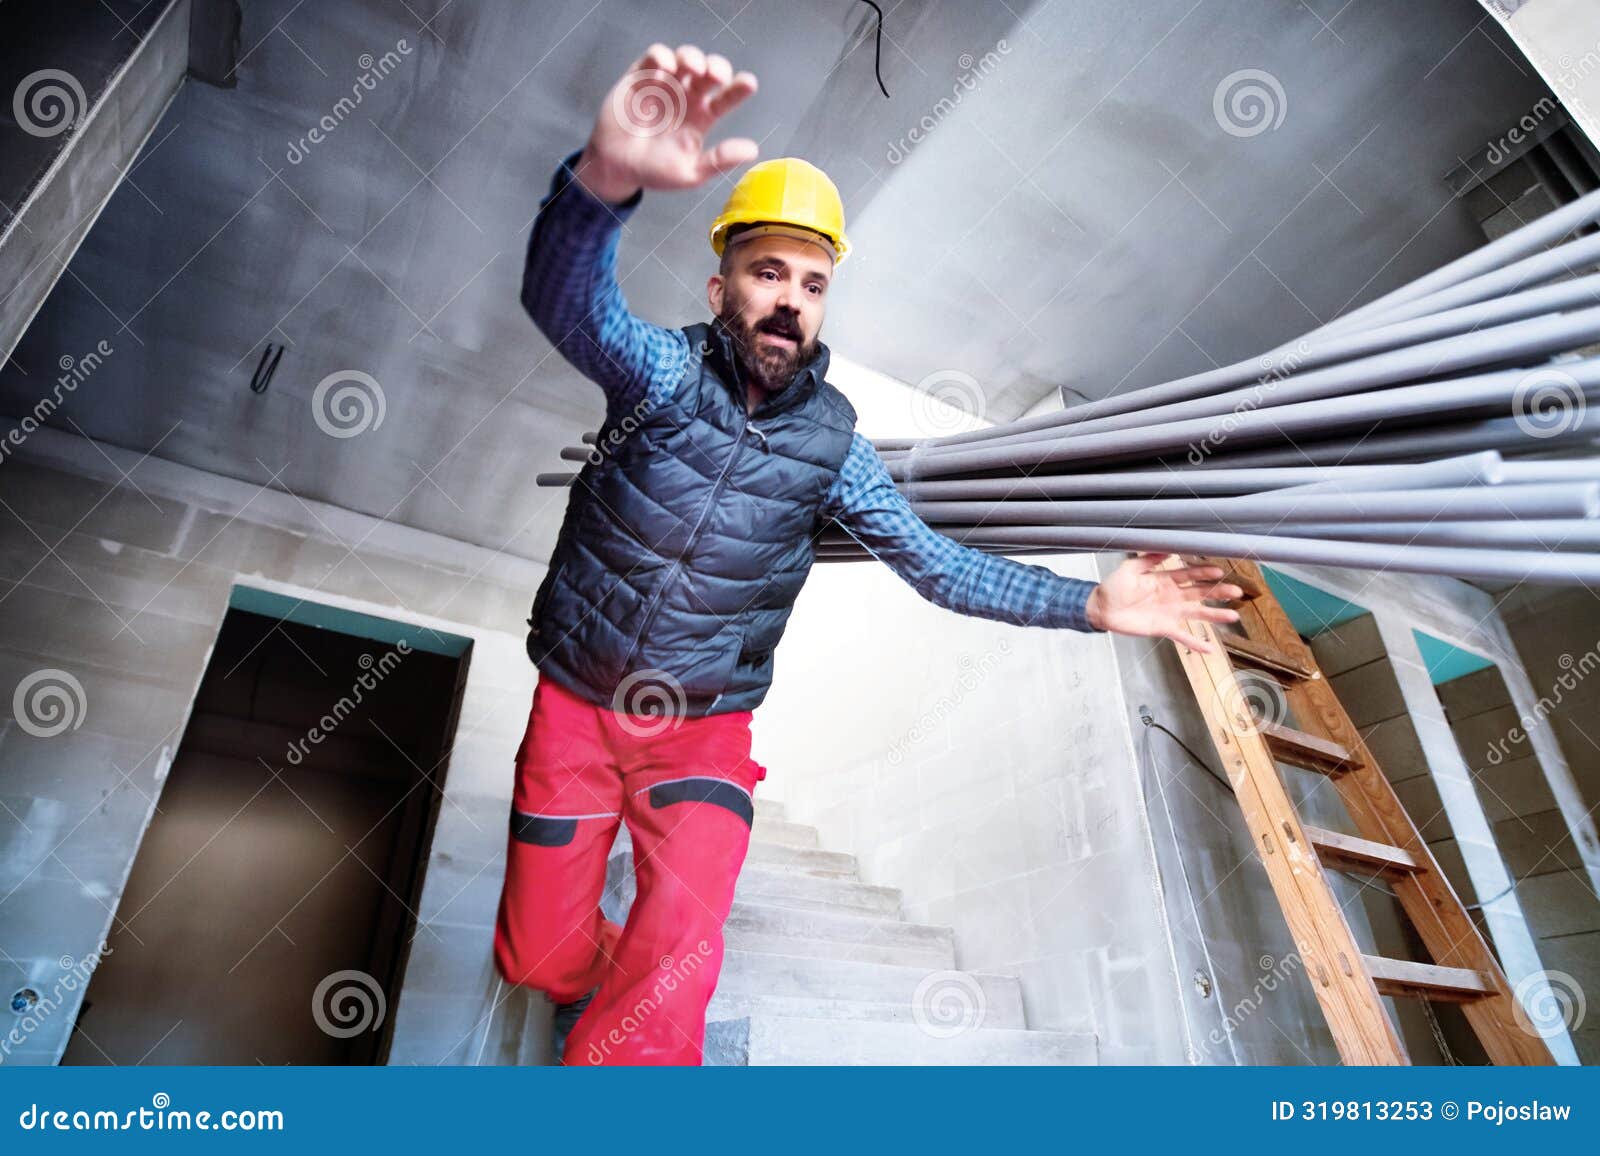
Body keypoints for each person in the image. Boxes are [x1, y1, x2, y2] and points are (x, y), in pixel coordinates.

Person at [493, 42, 1242, 1066]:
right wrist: (605, 178)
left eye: (813, 279)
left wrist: (1093, 607)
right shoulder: (660, 376)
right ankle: (592, 982)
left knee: (679, 969)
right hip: (574, 709)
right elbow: (566, 304)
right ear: (722, 287)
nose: (791, 298)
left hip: (702, 735)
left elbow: (938, 564)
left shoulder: (833, 443)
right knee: (536, 960)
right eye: (768, 273)